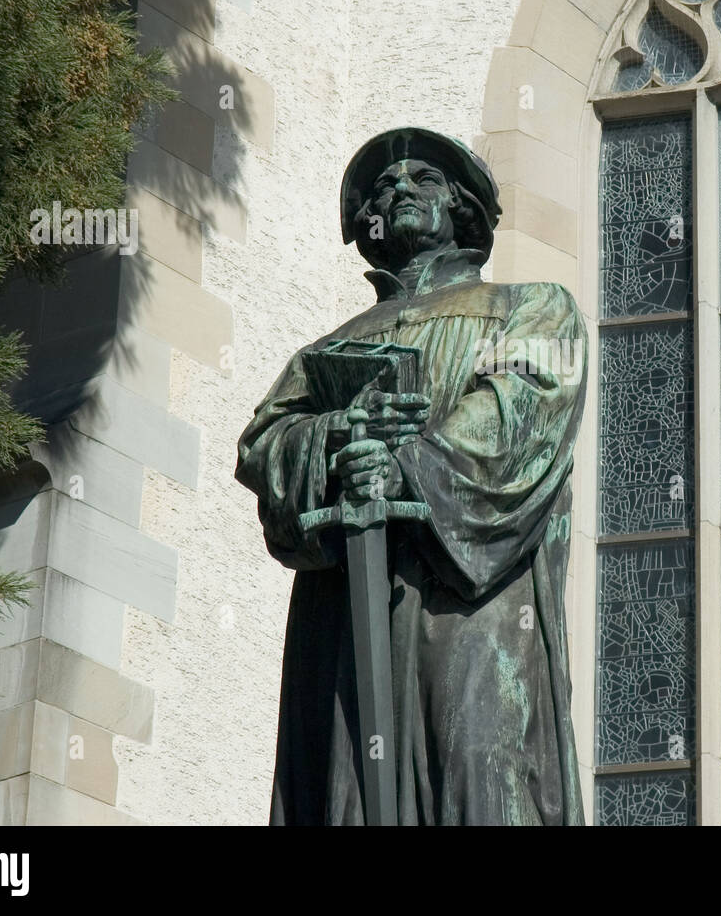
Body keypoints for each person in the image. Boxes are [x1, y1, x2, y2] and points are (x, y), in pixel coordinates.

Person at [235, 128, 587, 824]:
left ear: (461, 207)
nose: (398, 190)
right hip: (345, 613)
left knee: (479, 768)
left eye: (422, 179)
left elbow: (521, 413)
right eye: (383, 187)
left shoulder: (531, 308)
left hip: (470, 596)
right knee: (344, 793)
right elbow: (263, 446)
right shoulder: (327, 351)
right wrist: (337, 438)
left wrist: (403, 466)